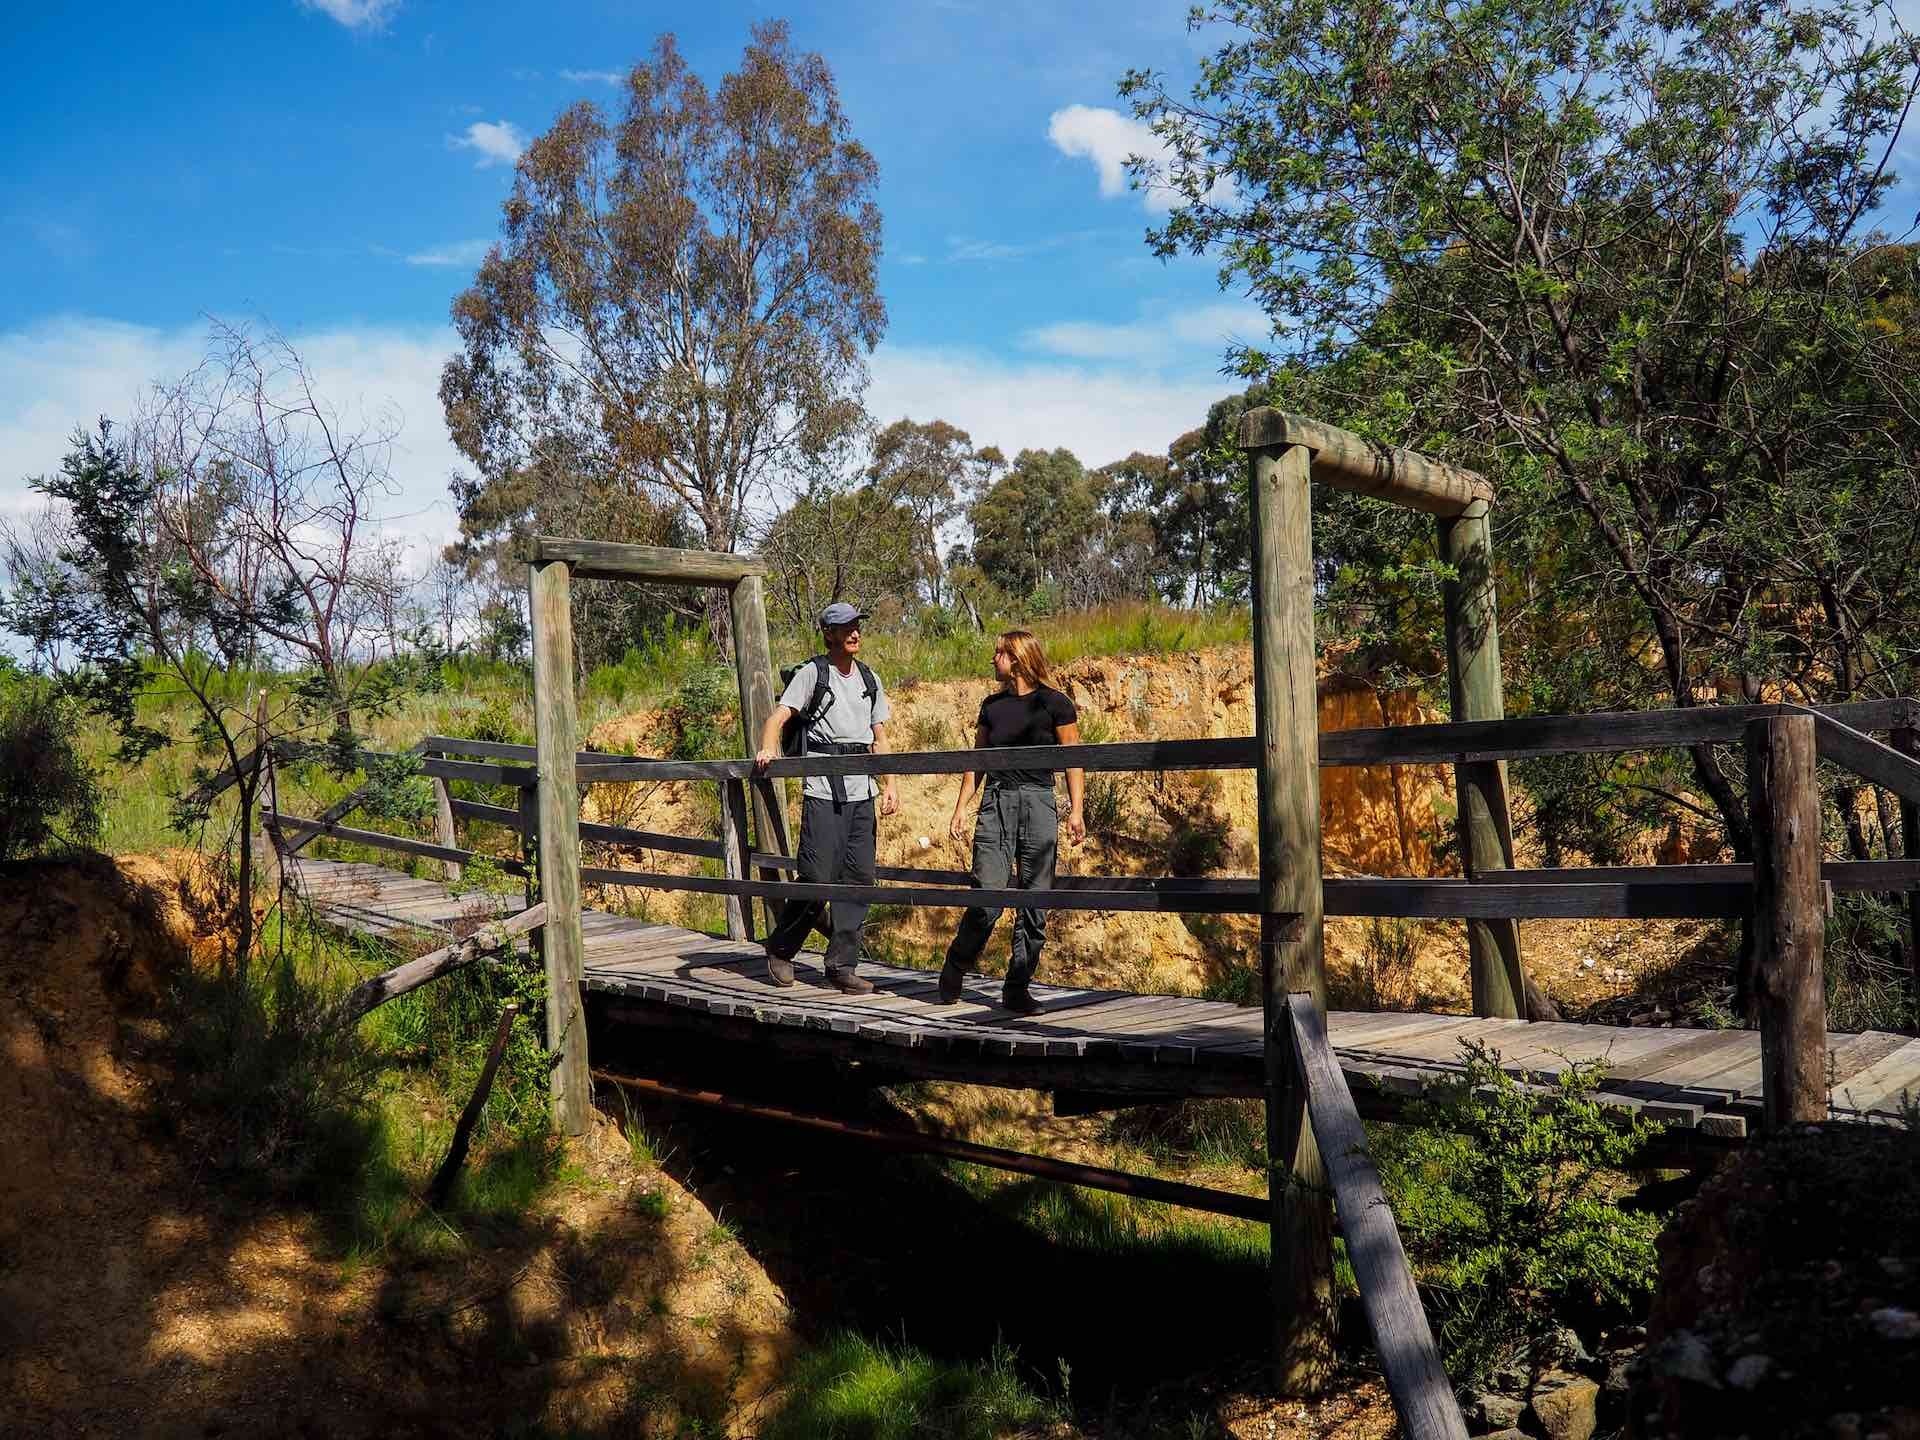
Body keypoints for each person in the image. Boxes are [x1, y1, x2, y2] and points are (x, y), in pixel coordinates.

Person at [754, 601, 898, 994]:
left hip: (861, 791)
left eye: (857, 625)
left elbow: (879, 739)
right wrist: (768, 749)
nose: (855, 632)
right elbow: (777, 718)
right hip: (822, 787)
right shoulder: (812, 674)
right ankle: (782, 949)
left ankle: (841, 966)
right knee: (817, 876)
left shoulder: (870, 678)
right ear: (829, 634)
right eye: (846, 627)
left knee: (859, 879)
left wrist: (890, 785)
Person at [938, 630, 1085, 1013]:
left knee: (1035, 903)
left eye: (998, 654)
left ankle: (1016, 987)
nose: (993, 660)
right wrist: (960, 807)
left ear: (1017, 658)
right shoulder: (991, 707)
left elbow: (1074, 759)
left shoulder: (1057, 704)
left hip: (1038, 802)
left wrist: (1077, 809)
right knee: (987, 897)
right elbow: (977, 764)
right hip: (997, 802)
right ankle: (957, 963)